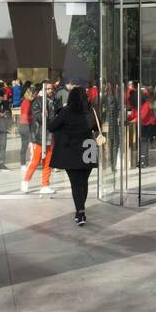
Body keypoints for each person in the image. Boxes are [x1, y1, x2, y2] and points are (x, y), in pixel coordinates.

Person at [48, 86, 99, 225]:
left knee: (76, 184)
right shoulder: (89, 111)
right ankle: (80, 210)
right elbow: (95, 127)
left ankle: (80, 213)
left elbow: (52, 127)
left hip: (72, 151)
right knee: (83, 182)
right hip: (88, 149)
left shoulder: (65, 111)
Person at [23, 81, 62, 194]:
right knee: (35, 161)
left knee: (48, 162)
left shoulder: (52, 101)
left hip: (50, 135)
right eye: (48, 89)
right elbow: (38, 117)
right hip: (39, 136)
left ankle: (45, 185)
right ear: (43, 89)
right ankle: (26, 180)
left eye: (51, 89)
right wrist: (44, 116)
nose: (50, 91)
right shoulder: (37, 101)